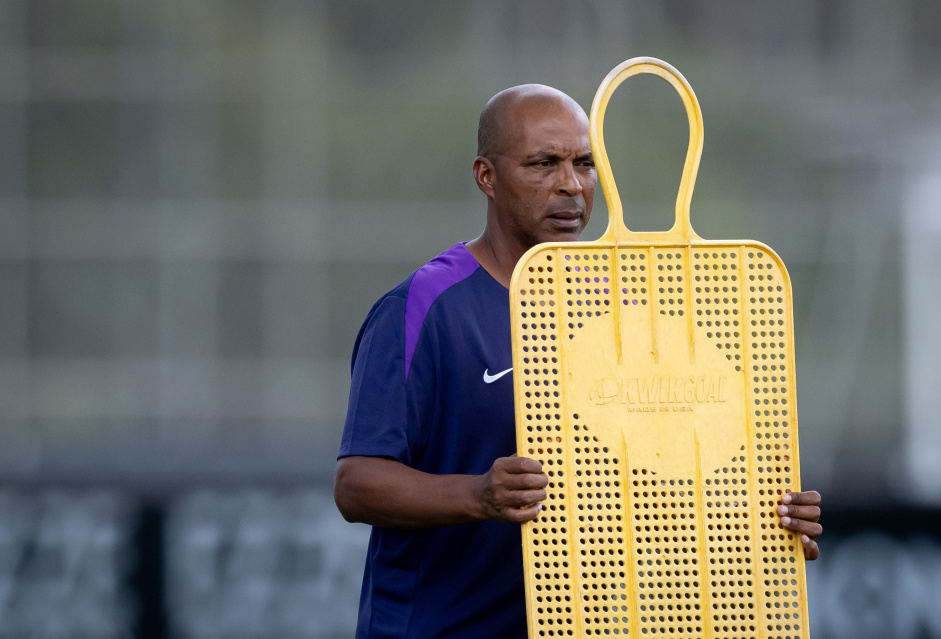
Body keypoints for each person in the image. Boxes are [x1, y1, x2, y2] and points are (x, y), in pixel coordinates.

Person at [334, 84, 823, 639]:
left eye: (585, 164)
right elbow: (356, 483)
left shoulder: (621, 315)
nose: (571, 185)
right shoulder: (423, 306)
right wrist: (476, 495)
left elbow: (664, 487)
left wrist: (765, 526)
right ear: (486, 177)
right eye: (543, 164)